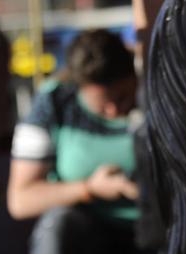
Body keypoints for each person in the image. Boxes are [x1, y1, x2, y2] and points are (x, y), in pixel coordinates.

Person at [8, 29, 143, 254]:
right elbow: (20, 200)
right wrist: (89, 188)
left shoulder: (157, 93)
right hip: (88, 230)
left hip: (152, 225)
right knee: (58, 226)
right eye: (102, 105)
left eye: (122, 97)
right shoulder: (55, 101)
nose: (113, 110)